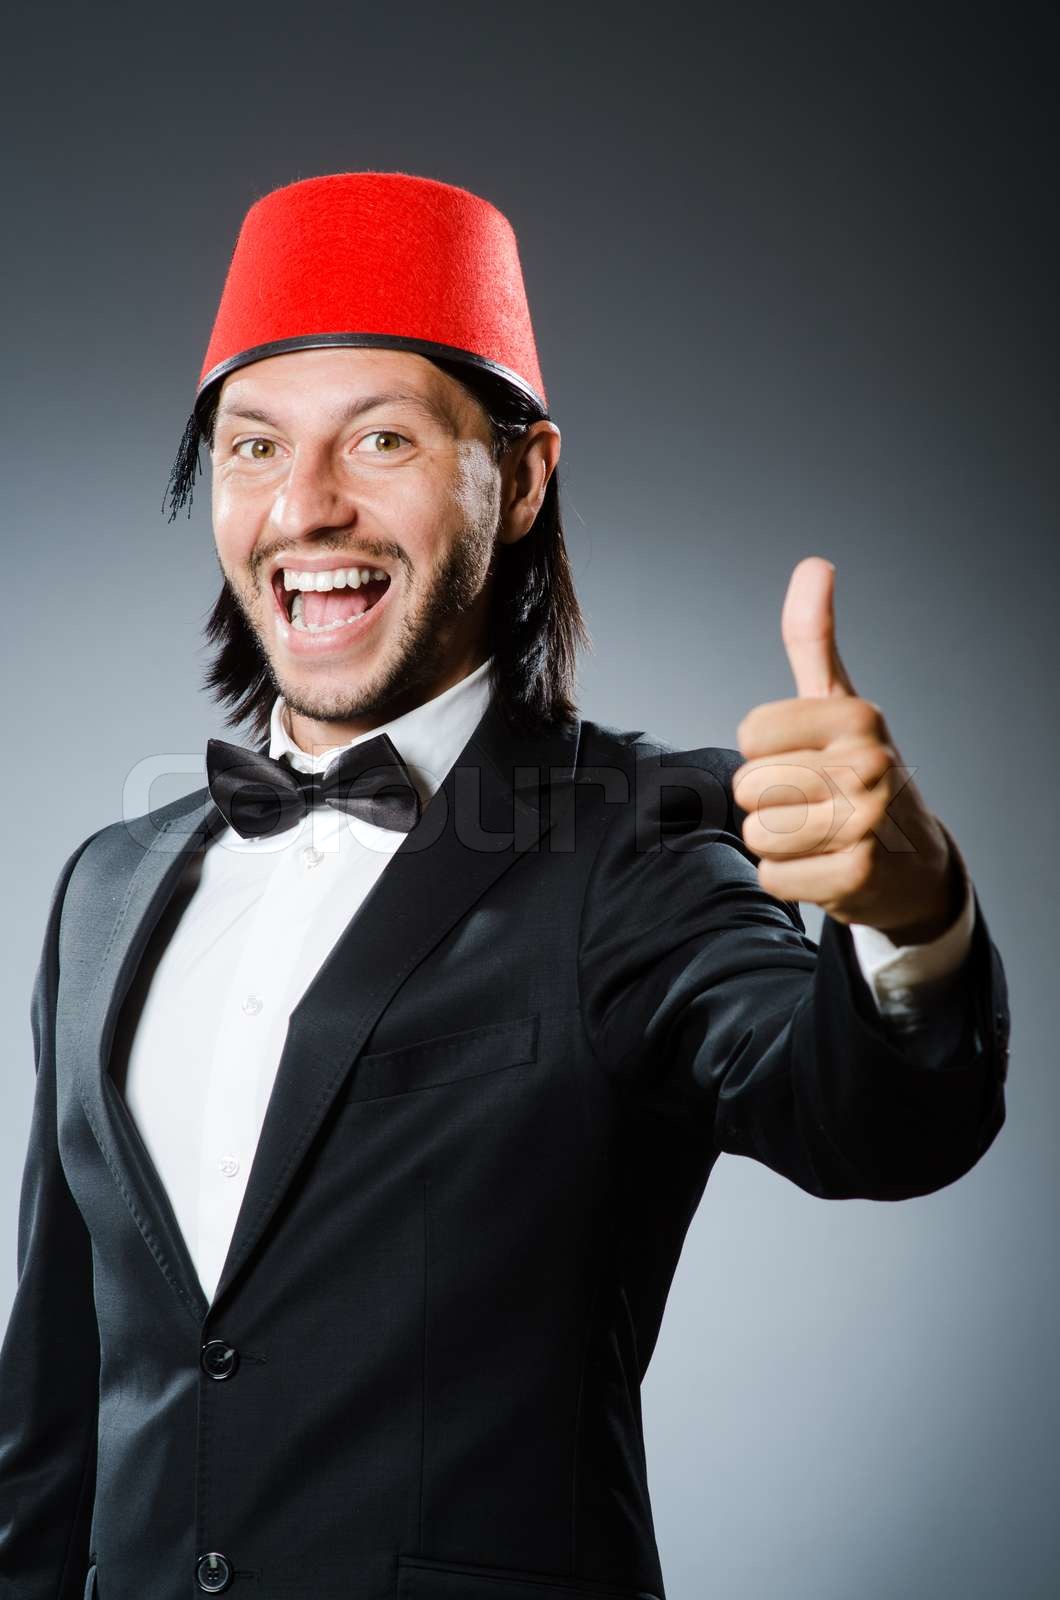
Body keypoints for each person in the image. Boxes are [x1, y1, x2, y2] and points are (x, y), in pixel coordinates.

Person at [0, 172, 1009, 1600]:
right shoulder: (105, 888)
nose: (306, 507)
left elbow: (866, 1117)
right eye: (251, 446)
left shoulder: (637, 839)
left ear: (521, 477)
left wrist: (910, 920)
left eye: (385, 437)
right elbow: (52, 1407)